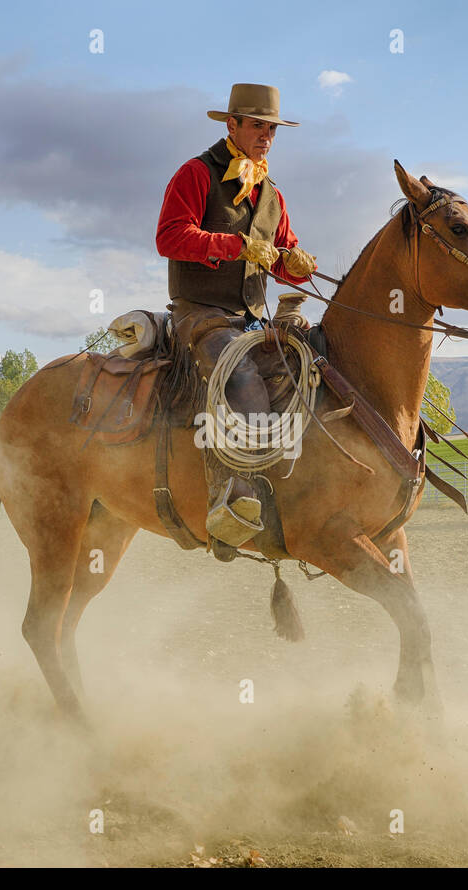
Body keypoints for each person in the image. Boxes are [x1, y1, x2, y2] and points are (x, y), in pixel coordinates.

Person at [155, 83, 318, 557]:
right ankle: (229, 503)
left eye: (272, 128)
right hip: (198, 312)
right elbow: (169, 237)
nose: (267, 135)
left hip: (247, 317)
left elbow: (280, 257)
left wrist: (296, 265)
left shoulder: (273, 196)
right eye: (258, 126)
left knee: (303, 369)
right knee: (242, 377)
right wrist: (234, 245)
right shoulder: (196, 173)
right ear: (232, 125)